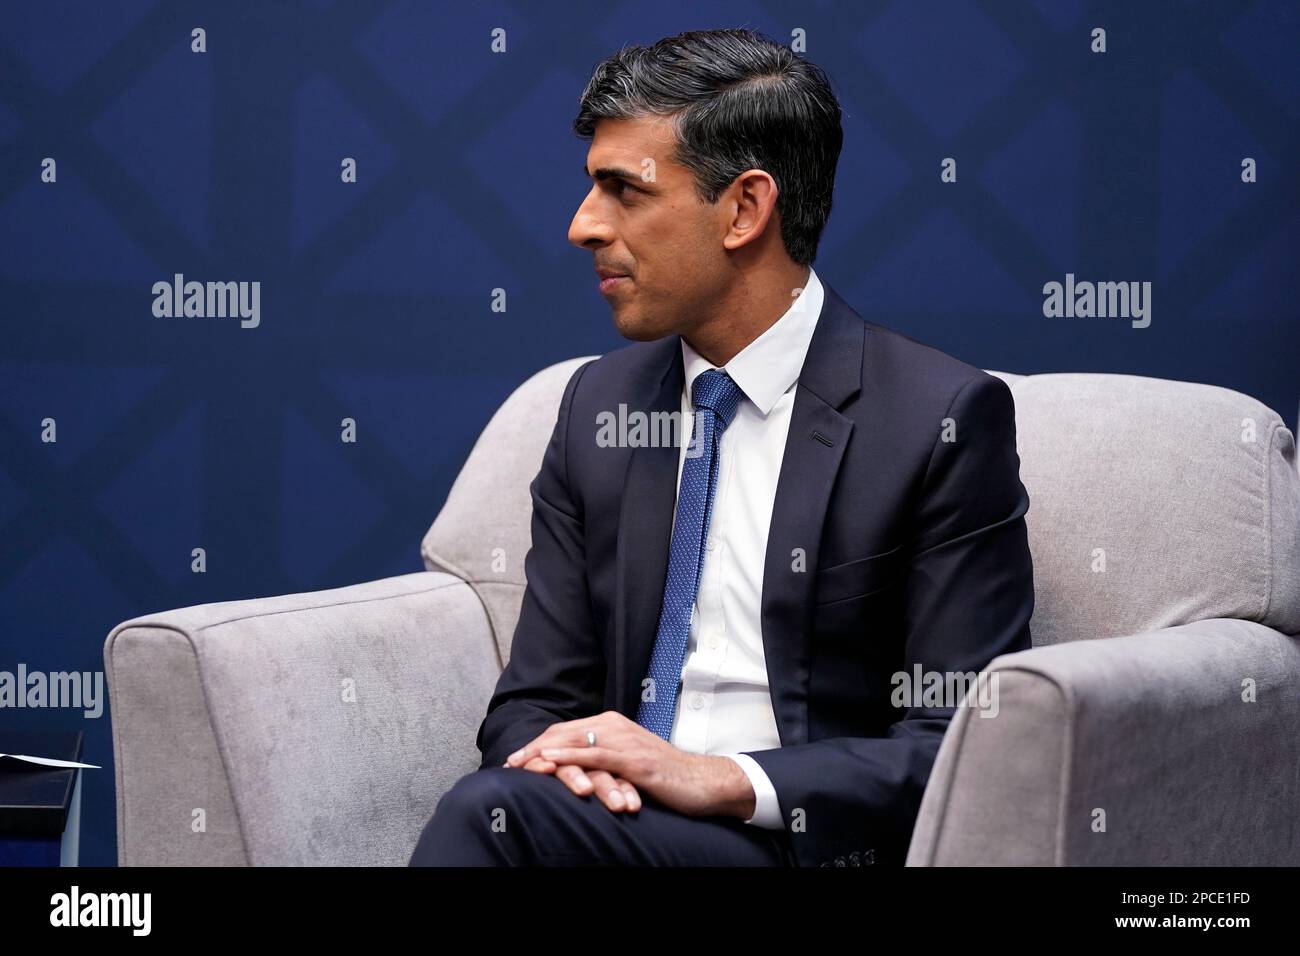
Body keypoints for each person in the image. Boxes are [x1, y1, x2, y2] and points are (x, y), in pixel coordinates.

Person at [409, 27, 1034, 868]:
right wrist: (595, 776)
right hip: (615, 830)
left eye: (623, 191)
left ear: (744, 208)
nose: (581, 226)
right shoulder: (601, 405)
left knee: (495, 818)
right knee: (499, 810)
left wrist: (720, 778)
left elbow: (961, 744)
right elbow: (532, 703)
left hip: (800, 844)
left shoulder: (938, 419)